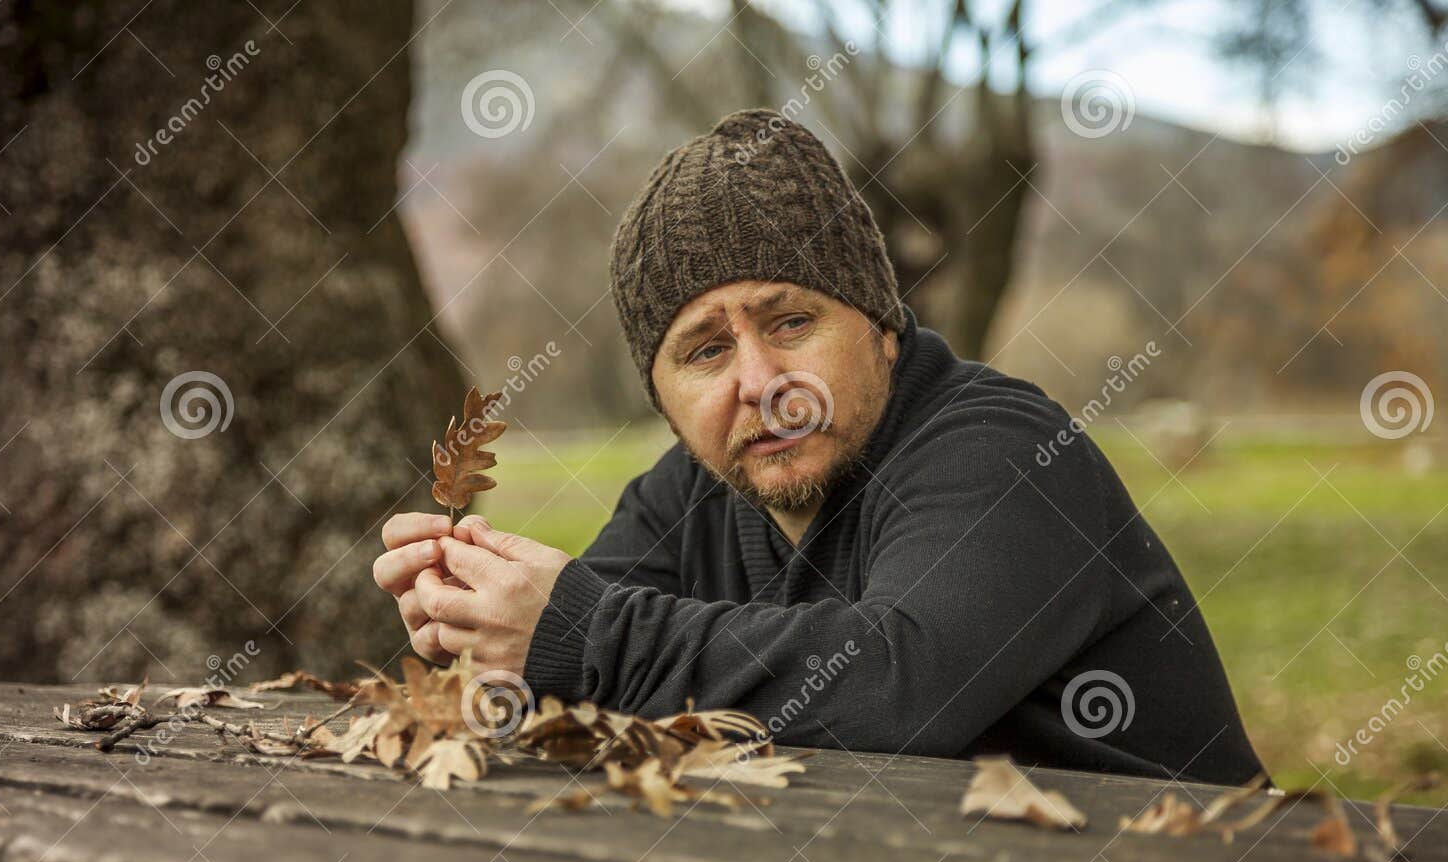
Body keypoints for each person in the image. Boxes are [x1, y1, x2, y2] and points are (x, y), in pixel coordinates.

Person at [372, 109, 1263, 784]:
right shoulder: (686, 493)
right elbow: (589, 666)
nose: (760, 380)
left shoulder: (1005, 451)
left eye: (790, 320)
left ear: (881, 326)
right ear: (667, 401)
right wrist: (490, 627)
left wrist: (576, 633)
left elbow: (903, 685)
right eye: (706, 350)